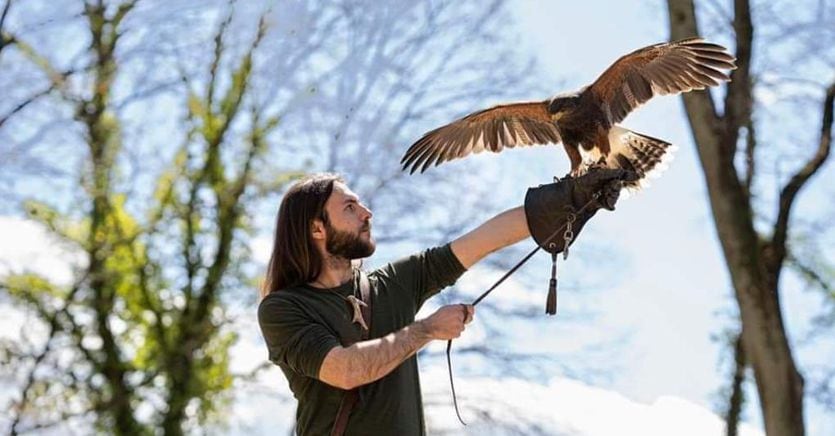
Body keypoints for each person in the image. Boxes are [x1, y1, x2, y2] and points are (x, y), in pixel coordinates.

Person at [258, 168, 633, 436]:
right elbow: (345, 370)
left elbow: (482, 241)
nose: (366, 213)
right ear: (316, 229)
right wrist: (426, 330)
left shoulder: (394, 284)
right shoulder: (284, 309)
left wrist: (568, 200)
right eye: (350, 208)